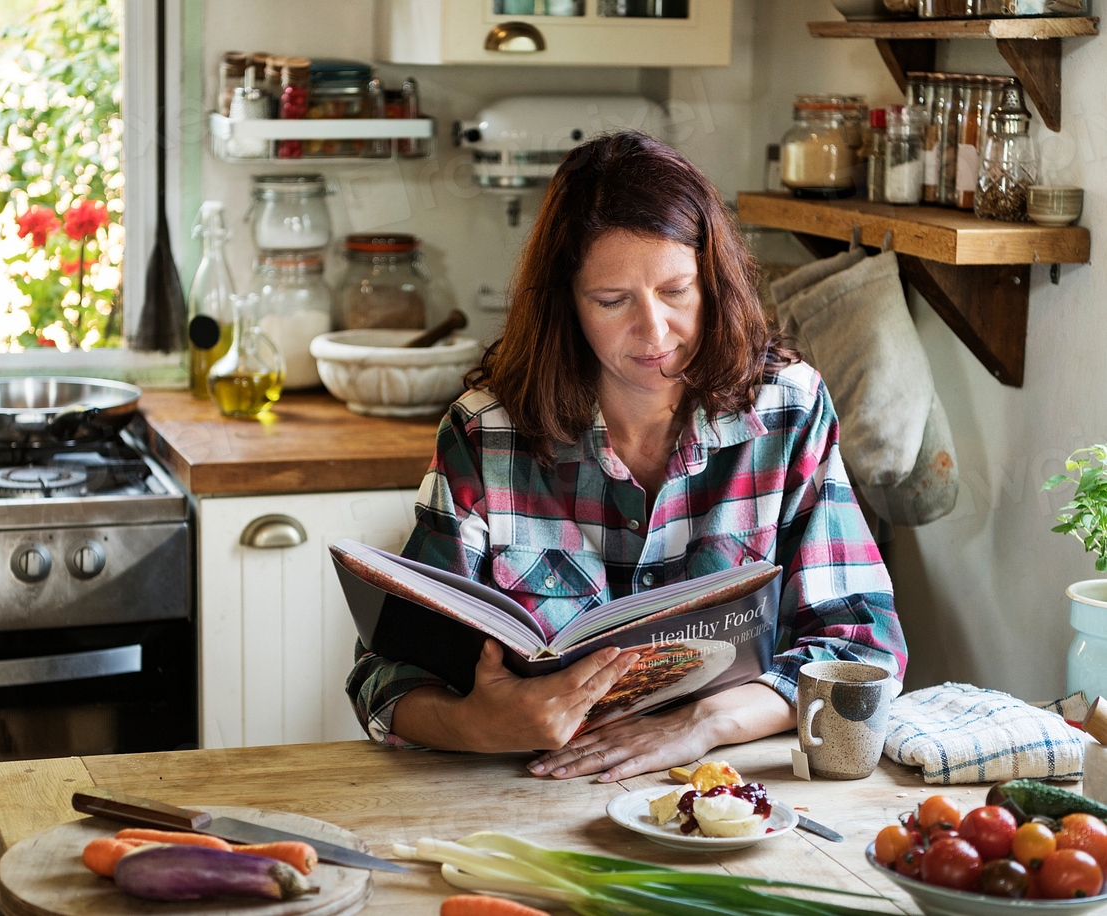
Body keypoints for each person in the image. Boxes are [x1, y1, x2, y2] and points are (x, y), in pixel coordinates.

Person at [346, 130, 907, 782]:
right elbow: (385, 675)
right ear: (566, 305)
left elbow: (860, 647)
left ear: (713, 284)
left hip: (733, 787)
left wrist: (699, 726)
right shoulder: (487, 434)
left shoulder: (788, 410)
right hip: (534, 788)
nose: (655, 332)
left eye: (676, 291)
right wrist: (482, 724)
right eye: (612, 301)